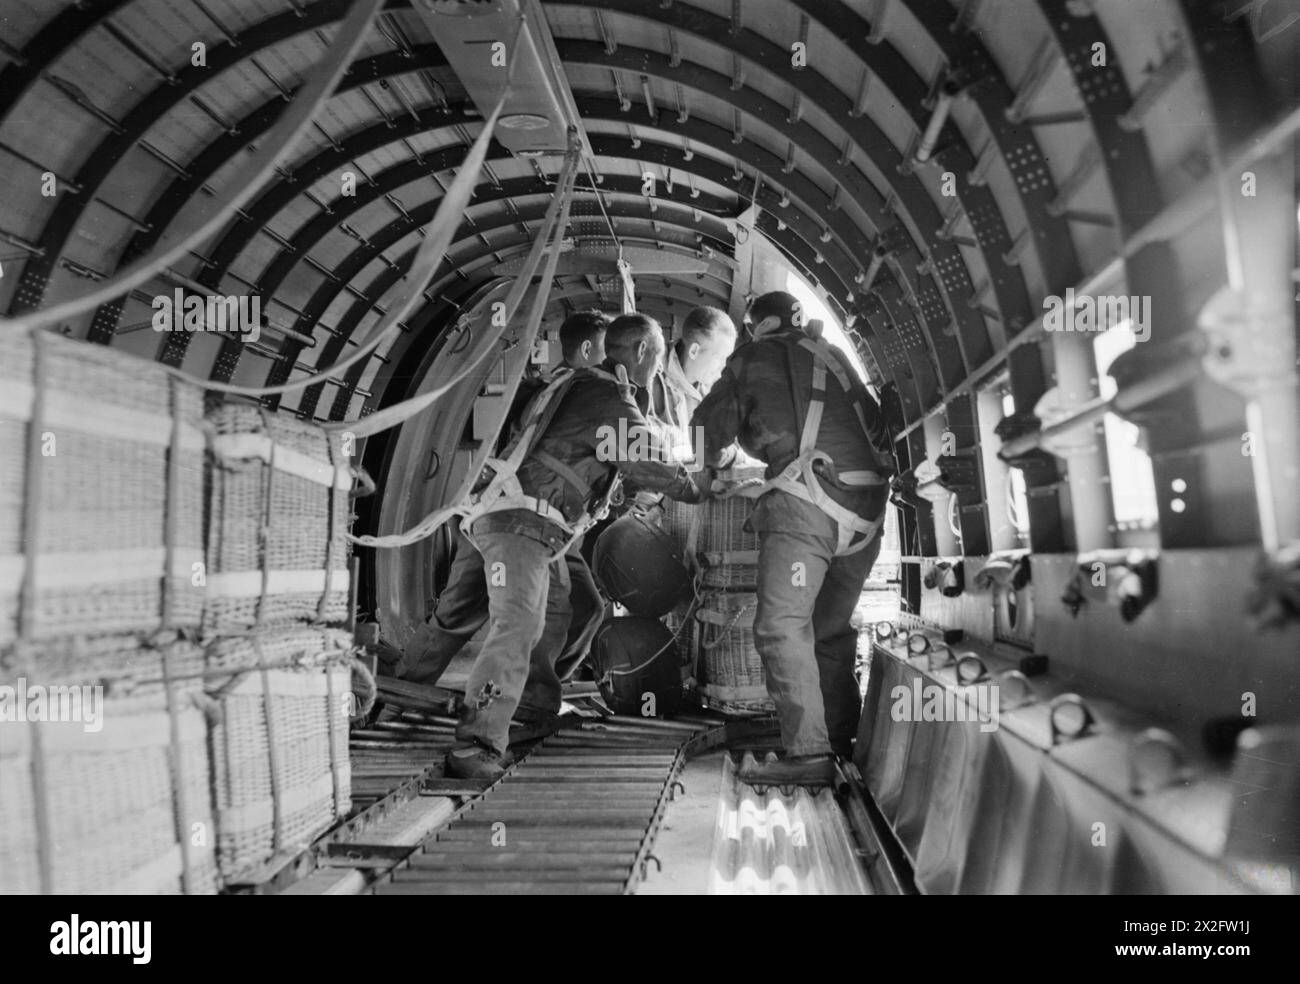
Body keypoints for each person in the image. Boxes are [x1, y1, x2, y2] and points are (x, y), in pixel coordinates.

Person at [448, 313, 711, 779]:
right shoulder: (604, 394)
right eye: (657, 356)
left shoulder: (591, 387)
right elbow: (642, 459)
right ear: (646, 353)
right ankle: (478, 742)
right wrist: (694, 488)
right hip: (519, 522)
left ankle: (533, 707)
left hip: (538, 527)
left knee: (584, 607)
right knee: (518, 625)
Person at [692, 291, 895, 785]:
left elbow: (706, 425)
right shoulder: (833, 356)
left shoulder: (754, 355)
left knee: (781, 626)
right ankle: (840, 740)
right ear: (797, 318)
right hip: (867, 510)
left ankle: (807, 755)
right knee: (827, 628)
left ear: (753, 325)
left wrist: (705, 474)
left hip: (808, 507)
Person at [395, 311, 610, 701]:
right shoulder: (580, 392)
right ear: (587, 349)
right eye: (607, 350)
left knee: (579, 607)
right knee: (523, 619)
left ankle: (403, 692)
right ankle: (510, 708)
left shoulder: (544, 389)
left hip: (506, 515)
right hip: (522, 523)